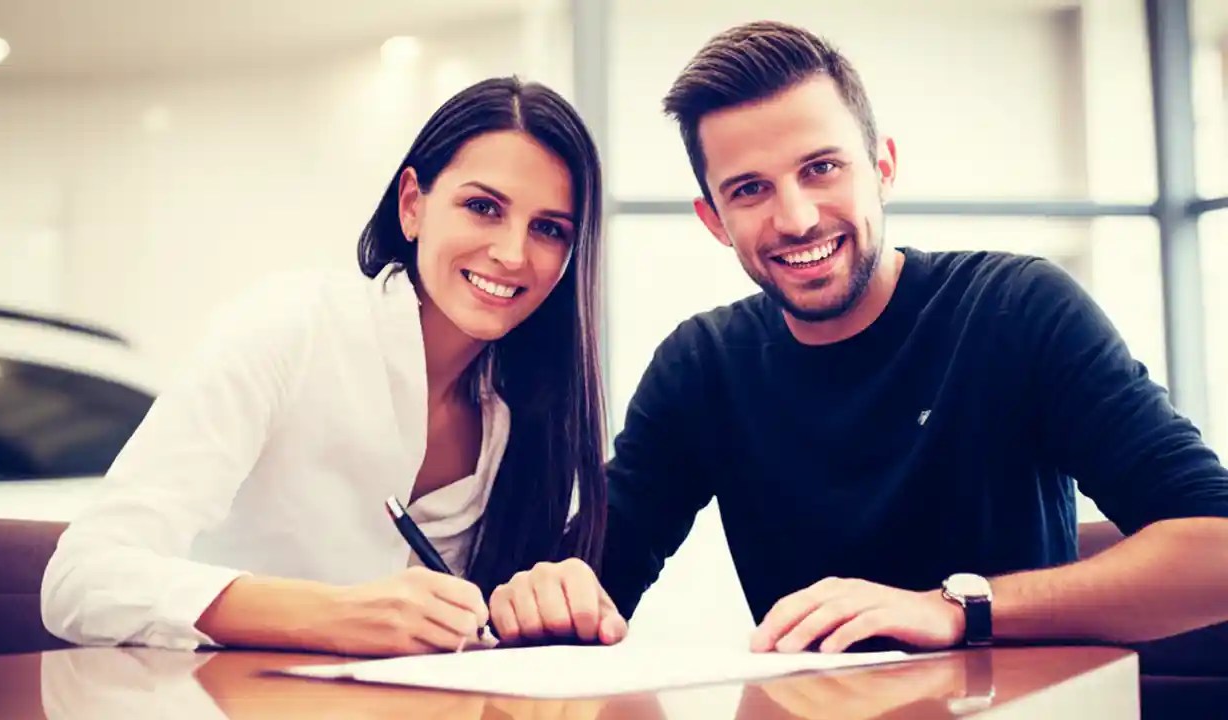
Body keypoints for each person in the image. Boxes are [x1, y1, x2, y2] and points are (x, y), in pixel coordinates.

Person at [492, 21, 1228, 653]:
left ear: (882, 169)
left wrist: (953, 608)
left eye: (822, 168)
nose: (798, 217)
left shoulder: (1015, 309)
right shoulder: (702, 366)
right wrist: (554, 592)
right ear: (714, 218)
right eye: (749, 189)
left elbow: (1216, 548)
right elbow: (597, 577)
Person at [41, 76, 627, 656]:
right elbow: (81, 580)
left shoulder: (527, 412)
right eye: (482, 207)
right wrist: (332, 615)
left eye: (549, 229)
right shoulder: (290, 326)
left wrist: (536, 604)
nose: (512, 253)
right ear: (412, 206)